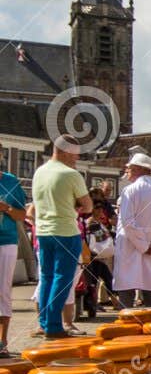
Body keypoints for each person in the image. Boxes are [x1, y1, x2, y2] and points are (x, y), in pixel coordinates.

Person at [31, 140, 93, 340]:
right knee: (63, 279)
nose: (77, 158)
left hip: (43, 232)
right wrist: (80, 206)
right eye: (75, 154)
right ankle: (54, 326)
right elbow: (88, 205)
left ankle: (45, 322)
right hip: (65, 231)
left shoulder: (39, 172)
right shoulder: (71, 174)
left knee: (47, 277)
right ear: (65, 152)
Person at [113, 151, 151, 311]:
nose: (127, 171)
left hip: (130, 245)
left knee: (126, 285)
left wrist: (143, 244)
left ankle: (126, 325)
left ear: (137, 169)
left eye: (130, 168)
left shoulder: (130, 191)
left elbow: (127, 222)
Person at [0, 159, 27, 357]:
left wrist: (7, 208)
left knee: (2, 291)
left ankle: (2, 342)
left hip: (5, 242)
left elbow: (22, 215)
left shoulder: (11, 182)